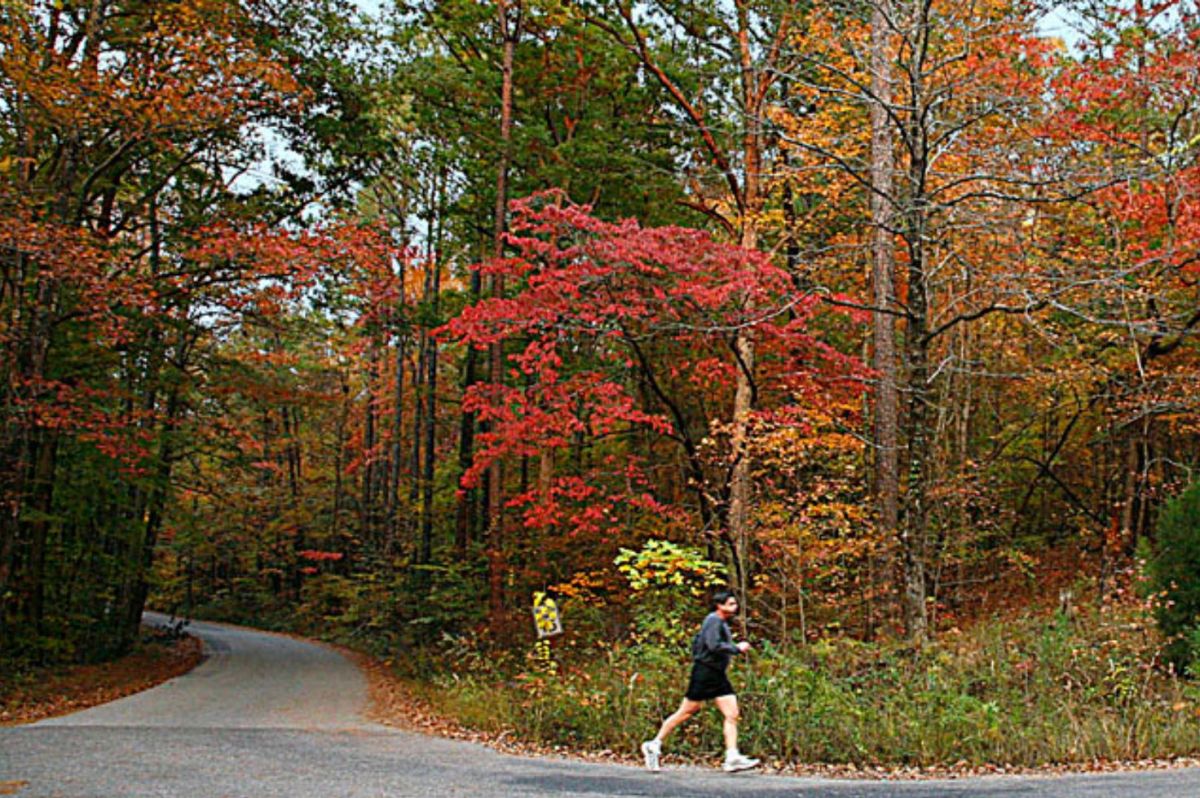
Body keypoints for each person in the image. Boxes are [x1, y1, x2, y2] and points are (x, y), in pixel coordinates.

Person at [640, 590, 760, 773]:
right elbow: (713, 645)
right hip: (705, 672)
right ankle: (654, 744)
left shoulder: (720, 622)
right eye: (731, 604)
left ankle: (732, 756)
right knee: (687, 710)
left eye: (735, 604)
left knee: (732, 713)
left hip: (717, 674)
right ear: (720, 605)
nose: (735, 607)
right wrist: (737, 648)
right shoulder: (713, 621)